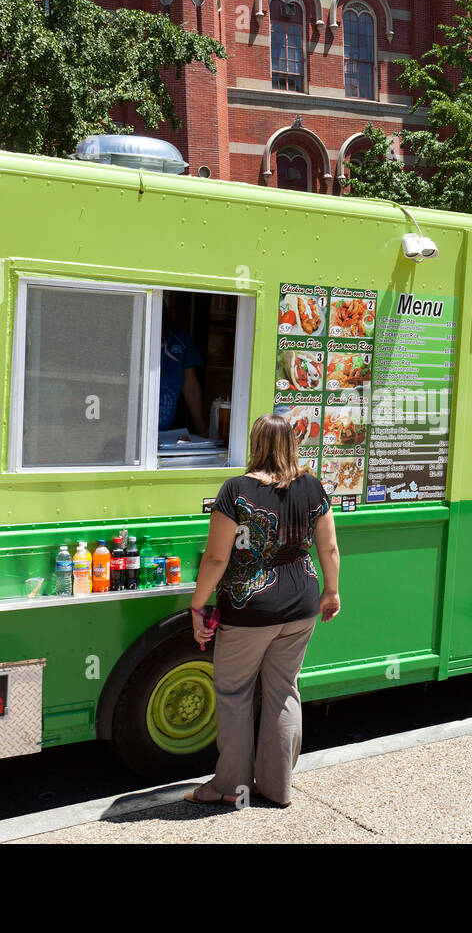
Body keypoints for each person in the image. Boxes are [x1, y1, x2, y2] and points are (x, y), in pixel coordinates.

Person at [184, 413, 340, 808]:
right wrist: (332, 591)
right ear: (292, 443)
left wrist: (197, 604)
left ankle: (230, 788)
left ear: (255, 443)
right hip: (302, 602)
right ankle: (278, 788)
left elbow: (217, 559)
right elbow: (330, 549)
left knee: (234, 694)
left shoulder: (235, 490)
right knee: (284, 692)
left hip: (248, 608)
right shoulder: (313, 487)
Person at [159, 304, 207, 435]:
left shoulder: (180, 340)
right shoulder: (133, 338)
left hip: (164, 436)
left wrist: (203, 433)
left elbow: (190, 389)